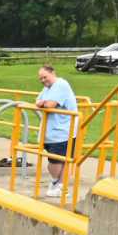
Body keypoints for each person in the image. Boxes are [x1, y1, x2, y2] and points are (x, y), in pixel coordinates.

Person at [32, 65, 80, 198]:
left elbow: (50, 104)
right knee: (58, 160)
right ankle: (58, 184)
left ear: (53, 73)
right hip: (51, 131)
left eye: (45, 77)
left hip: (63, 131)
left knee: (58, 160)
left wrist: (43, 103)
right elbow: (37, 101)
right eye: (40, 78)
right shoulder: (47, 88)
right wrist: (42, 102)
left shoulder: (61, 85)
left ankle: (58, 185)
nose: (43, 80)